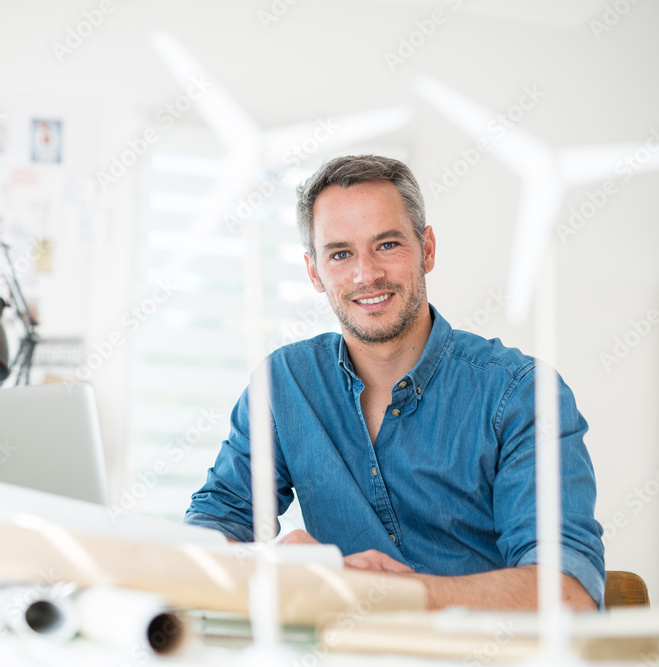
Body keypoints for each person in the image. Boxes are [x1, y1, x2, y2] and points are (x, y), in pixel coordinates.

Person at [184, 155, 605, 611]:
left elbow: (570, 594)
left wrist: (382, 595)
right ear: (314, 273)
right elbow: (209, 531)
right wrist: (273, 565)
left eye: (386, 244)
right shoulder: (284, 384)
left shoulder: (521, 394)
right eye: (341, 253)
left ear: (427, 250)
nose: (366, 274)